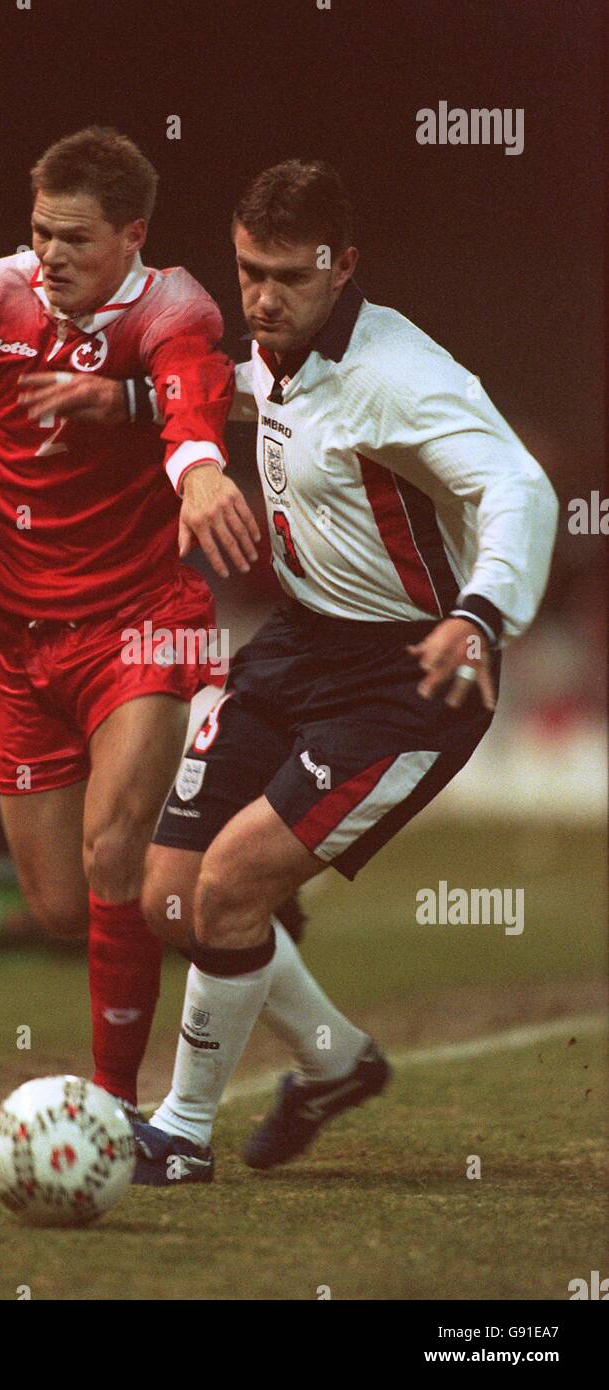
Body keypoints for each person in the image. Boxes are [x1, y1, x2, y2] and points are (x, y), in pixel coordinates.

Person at [126, 158, 559, 1182]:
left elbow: (518, 485)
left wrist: (480, 614)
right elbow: (234, 391)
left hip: (407, 681)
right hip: (297, 643)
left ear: (343, 266)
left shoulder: (402, 375)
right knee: (169, 898)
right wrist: (112, 400)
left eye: (286, 276)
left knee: (230, 888)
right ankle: (333, 1063)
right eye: (246, 272)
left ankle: (182, 1134)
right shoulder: (279, 351)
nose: (262, 299)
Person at [0, 127, 262, 1115]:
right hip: (16, 636)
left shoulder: (174, 307)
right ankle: (241, 905)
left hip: (142, 619)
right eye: (39, 235)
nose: (50, 256)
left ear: (131, 235)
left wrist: (197, 471)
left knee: (114, 856)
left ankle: (121, 1107)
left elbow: (195, 397)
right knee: (65, 905)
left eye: (73, 238)